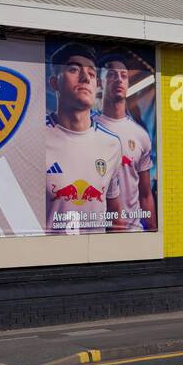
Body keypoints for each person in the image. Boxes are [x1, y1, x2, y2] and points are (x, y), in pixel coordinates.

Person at [44, 43, 122, 234]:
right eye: (73, 69)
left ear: (96, 86)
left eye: (92, 74)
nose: (86, 77)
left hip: (96, 258)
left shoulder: (112, 144)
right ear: (54, 83)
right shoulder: (35, 137)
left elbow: (114, 213)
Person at [94, 50, 157, 232]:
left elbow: (145, 194)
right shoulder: (87, 129)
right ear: (100, 82)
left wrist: (152, 230)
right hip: (99, 232)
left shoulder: (140, 135)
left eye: (123, 76)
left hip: (134, 231)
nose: (119, 80)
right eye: (112, 75)